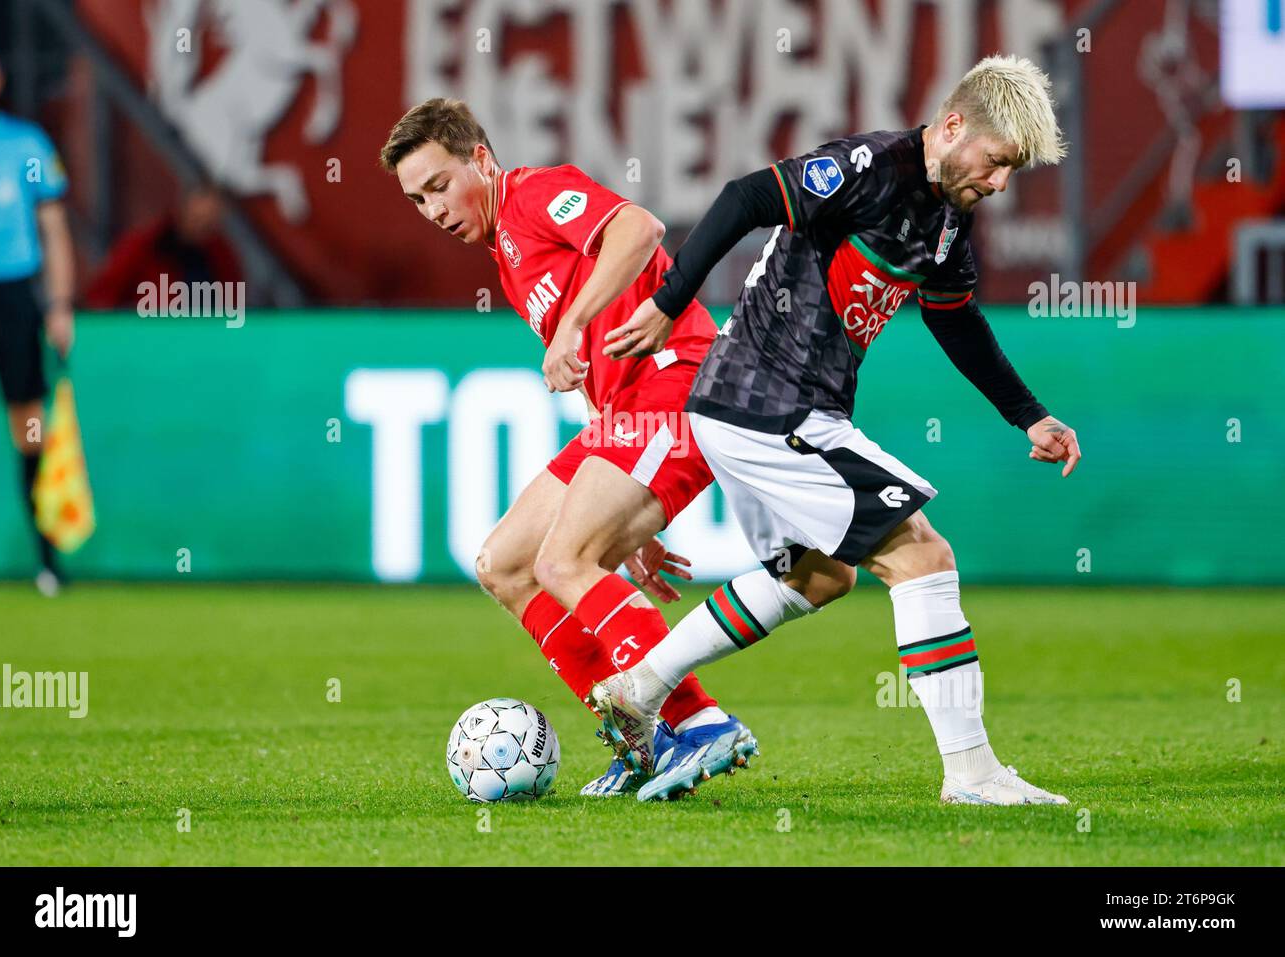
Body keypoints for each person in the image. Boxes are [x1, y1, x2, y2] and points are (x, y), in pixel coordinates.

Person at [590, 55, 1084, 804]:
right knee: (922, 553)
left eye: (1013, 170)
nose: (1001, 182)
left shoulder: (949, 217)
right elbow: (745, 195)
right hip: (767, 403)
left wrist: (1028, 413)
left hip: (762, 411)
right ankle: (974, 774)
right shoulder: (872, 167)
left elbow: (955, 321)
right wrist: (668, 298)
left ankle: (639, 687)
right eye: (998, 161)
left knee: (818, 575)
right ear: (953, 127)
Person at [378, 99, 794, 794]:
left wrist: (571, 322)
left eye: (440, 185)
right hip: (622, 413)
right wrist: (620, 522)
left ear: (480, 159)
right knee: (505, 564)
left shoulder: (534, 194)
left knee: (561, 559)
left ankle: (698, 724)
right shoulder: (506, 253)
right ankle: (649, 743)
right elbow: (595, 372)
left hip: (677, 385)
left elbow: (640, 227)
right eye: (418, 198)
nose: (433, 209)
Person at [0, 44, 76, 597]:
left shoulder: (27, 145)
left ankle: (47, 561)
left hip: (14, 295)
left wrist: (60, 304)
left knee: (28, 425)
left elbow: (55, 228)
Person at [85, 182, 242, 309]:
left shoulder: (221, 257)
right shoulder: (144, 245)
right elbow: (103, 294)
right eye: (198, 219)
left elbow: (233, 305)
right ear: (183, 209)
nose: (201, 228)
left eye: (210, 223)